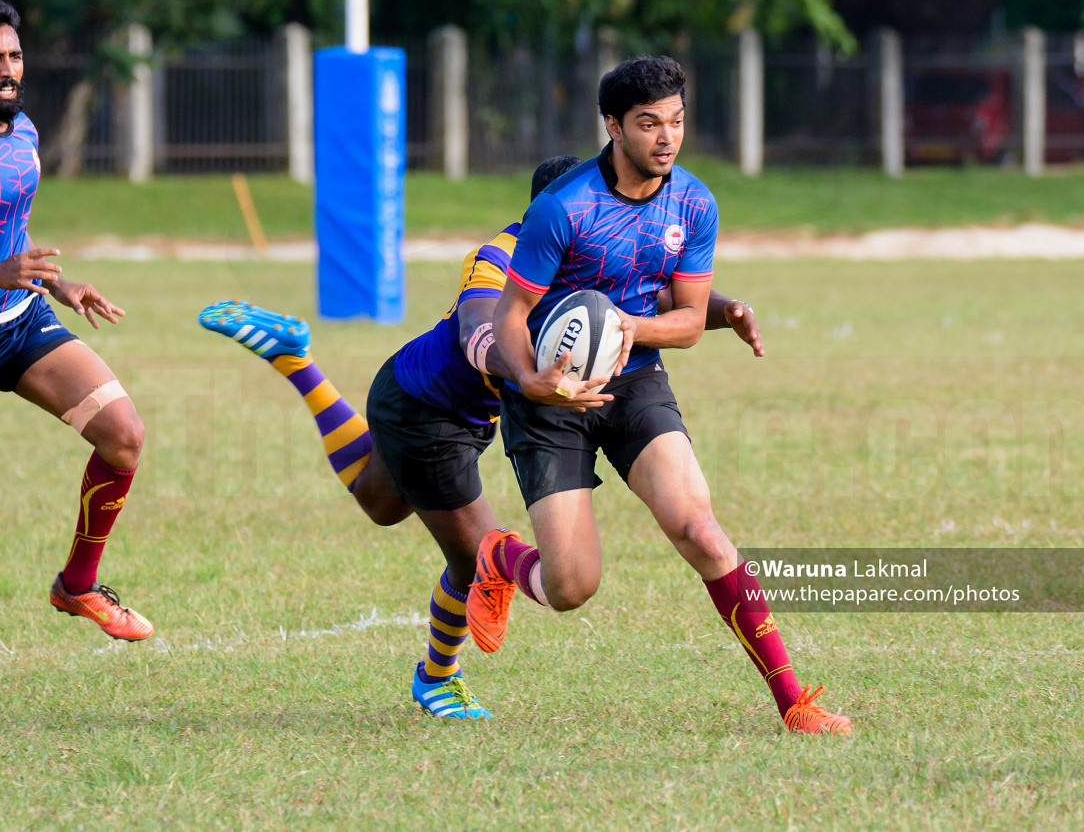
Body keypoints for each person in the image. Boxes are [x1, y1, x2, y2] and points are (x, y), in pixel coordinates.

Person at [199, 155, 763, 720]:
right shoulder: (500, 256)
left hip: (457, 411)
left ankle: (297, 361)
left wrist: (726, 310)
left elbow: (656, 297)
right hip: (428, 409)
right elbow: (478, 327)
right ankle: (437, 678)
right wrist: (524, 376)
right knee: (472, 556)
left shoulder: (589, 258)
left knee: (380, 501)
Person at [472, 55, 851, 735]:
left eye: (676, 122)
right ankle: (501, 556)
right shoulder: (562, 207)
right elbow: (510, 315)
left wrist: (632, 327)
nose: (666, 138)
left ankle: (794, 702)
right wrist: (532, 381)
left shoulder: (695, 202)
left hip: (637, 379)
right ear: (613, 126)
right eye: (649, 124)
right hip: (548, 400)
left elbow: (685, 318)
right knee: (571, 587)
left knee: (702, 529)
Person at [0, 0, 151, 641]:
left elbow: (15, 237)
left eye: (14, 56)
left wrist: (60, 284)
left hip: (19, 322)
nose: (8, 70)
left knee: (124, 435)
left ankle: (77, 586)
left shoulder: (23, 132)